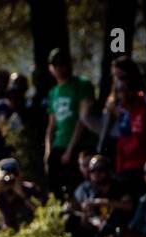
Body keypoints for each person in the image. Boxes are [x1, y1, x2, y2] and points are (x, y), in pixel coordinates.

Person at [43, 48, 96, 197]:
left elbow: (83, 119)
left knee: (77, 187)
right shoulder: (53, 92)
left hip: (80, 145)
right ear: (50, 68)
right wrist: (48, 151)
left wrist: (70, 150)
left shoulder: (82, 85)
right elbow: (51, 125)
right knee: (55, 189)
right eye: (56, 65)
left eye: (62, 64)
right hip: (59, 145)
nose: (59, 68)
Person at [0, 158, 42, 229]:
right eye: (5, 177)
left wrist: (22, 194)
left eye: (14, 175)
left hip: (33, 228)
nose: (10, 180)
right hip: (8, 233)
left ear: (20, 175)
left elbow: (41, 213)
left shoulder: (29, 188)